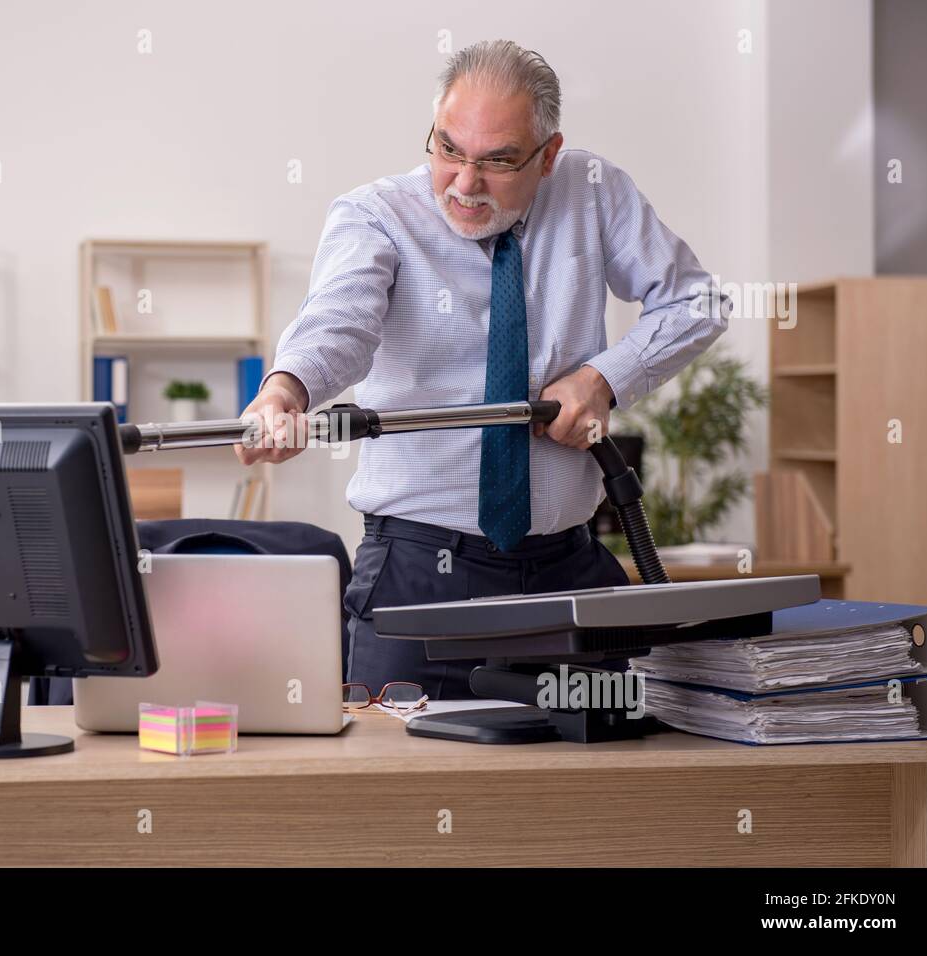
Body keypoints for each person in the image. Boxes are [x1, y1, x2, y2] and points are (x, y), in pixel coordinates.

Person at [236, 39, 727, 699]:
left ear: (548, 155)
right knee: (397, 786)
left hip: (566, 570)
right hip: (418, 574)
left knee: (599, 787)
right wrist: (285, 390)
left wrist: (603, 379)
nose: (465, 184)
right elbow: (339, 322)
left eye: (497, 161)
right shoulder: (377, 214)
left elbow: (698, 300)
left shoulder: (590, 189)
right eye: (447, 149)